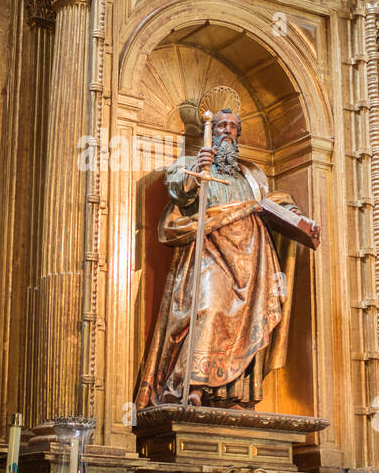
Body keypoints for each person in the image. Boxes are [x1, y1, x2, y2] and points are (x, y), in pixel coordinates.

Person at [135, 106, 320, 409]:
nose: (226, 131)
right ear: (211, 131)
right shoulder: (193, 164)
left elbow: (273, 202)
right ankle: (191, 384)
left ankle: (235, 394)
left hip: (251, 258)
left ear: (237, 135)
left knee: (245, 324)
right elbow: (177, 189)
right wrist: (197, 169)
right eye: (221, 126)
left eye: (232, 127)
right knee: (209, 308)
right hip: (211, 251)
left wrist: (300, 220)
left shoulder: (250, 174)